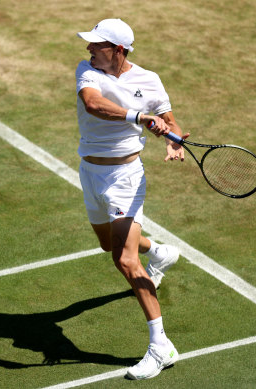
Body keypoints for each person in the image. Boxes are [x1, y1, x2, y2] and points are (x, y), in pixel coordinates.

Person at [75, 18, 190, 380]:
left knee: (124, 261)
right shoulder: (88, 71)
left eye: (97, 44)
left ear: (118, 50)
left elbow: (170, 122)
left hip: (126, 178)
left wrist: (174, 139)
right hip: (90, 172)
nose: (89, 49)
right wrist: (139, 116)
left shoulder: (149, 81)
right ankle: (158, 251)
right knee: (108, 243)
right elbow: (93, 105)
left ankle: (161, 347)